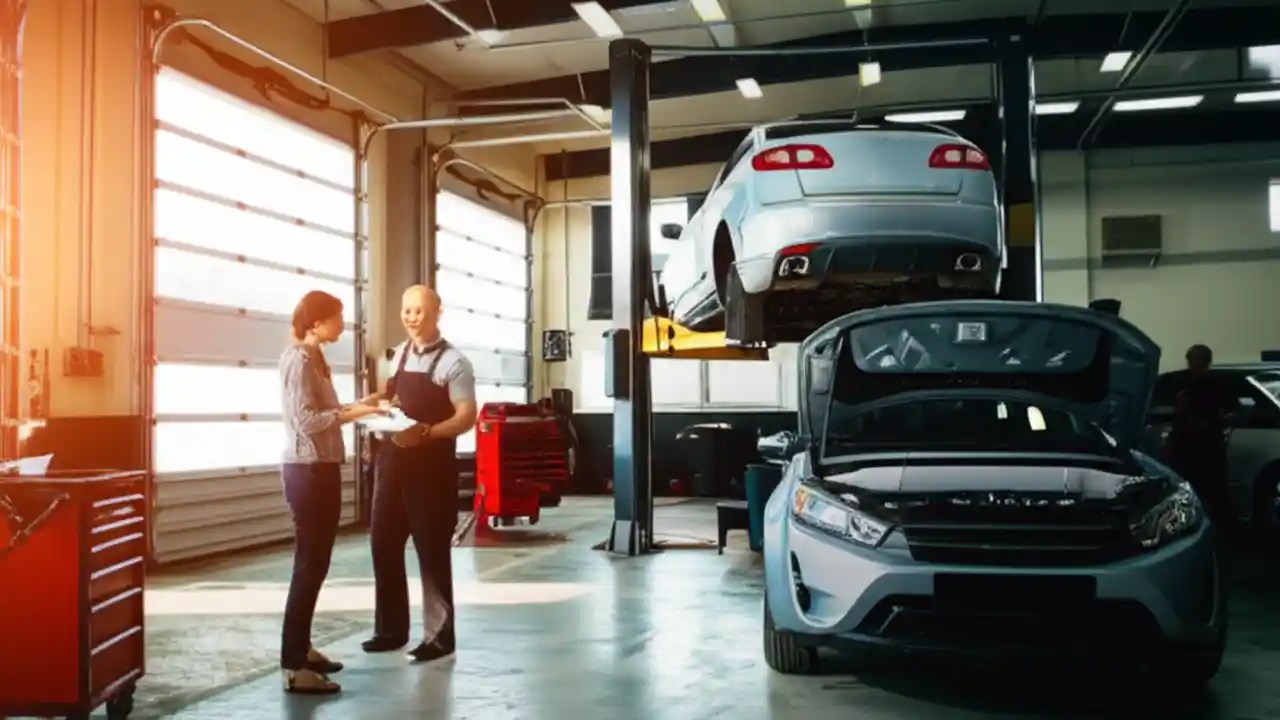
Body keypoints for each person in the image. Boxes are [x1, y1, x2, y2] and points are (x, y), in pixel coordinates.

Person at [362, 285, 478, 663]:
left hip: (431, 468)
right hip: (392, 463)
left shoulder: (454, 363)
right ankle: (391, 629)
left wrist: (428, 432)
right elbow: (392, 396)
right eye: (406, 310)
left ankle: (439, 636)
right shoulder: (397, 354)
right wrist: (374, 409)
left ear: (437, 313)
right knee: (383, 544)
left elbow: (465, 415)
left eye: (419, 310)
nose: (411, 317)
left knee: (431, 550)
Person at [279, 290, 383, 694]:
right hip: (308, 472)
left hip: (320, 469)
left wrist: (365, 403)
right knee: (309, 565)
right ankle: (293, 664)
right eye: (337, 317)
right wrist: (358, 414)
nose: (343, 324)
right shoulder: (300, 360)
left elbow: (326, 411)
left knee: (316, 564)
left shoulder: (316, 358)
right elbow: (306, 420)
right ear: (317, 323)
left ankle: (301, 648)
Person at [1167, 344, 1235, 529]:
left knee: (1214, 491)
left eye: (1199, 361)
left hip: (1206, 446)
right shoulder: (1180, 383)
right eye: (1193, 360)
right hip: (1186, 445)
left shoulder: (1216, 385)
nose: (1194, 365)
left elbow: (1229, 411)